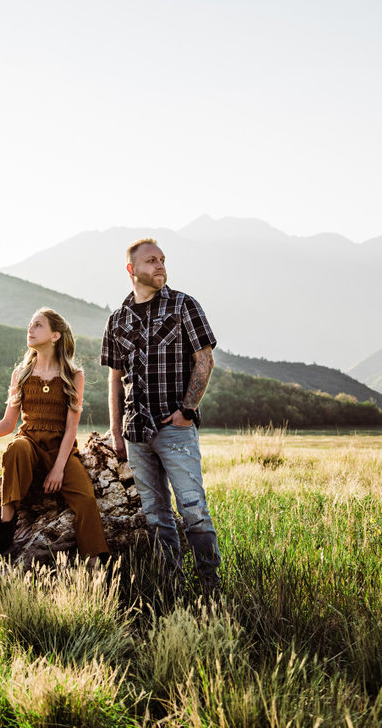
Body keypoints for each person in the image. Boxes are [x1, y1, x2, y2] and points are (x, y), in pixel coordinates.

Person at [101, 238, 220, 590]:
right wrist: (115, 430)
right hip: (136, 433)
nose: (160, 266)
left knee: (193, 509)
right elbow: (114, 380)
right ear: (131, 269)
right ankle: (172, 586)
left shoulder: (183, 305)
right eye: (151, 260)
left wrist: (188, 410)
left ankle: (209, 586)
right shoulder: (117, 320)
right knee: (156, 516)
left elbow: (205, 360)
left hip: (175, 428)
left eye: (163, 260)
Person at [0, 309, 109, 562]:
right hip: (29, 443)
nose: (30, 329)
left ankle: (95, 562)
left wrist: (59, 469)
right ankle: (5, 528)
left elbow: (71, 428)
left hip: (59, 449)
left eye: (37, 325)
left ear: (55, 335)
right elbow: (8, 423)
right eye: (30, 325)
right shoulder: (22, 374)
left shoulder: (73, 376)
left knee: (86, 499)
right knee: (16, 448)